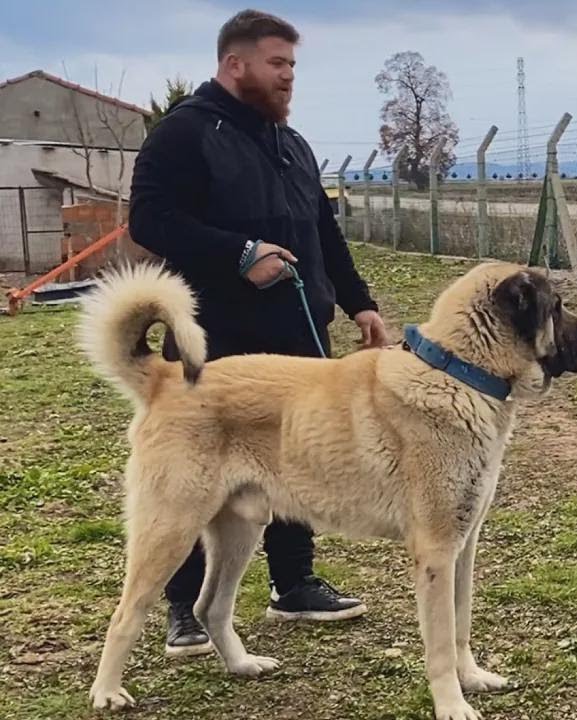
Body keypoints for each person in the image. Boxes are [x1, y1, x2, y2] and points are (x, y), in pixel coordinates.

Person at [127, 8, 389, 658]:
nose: (288, 78)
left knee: (298, 461)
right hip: (215, 339)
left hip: (299, 339)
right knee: (194, 477)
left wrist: (360, 304)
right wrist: (240, 252)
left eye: (293, 66)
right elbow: (152, 220)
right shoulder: (183, 134)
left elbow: (323, 235)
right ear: (234, 64)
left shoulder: (290, 144)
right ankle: (184, 608)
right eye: (278, 64)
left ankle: (292, 584)